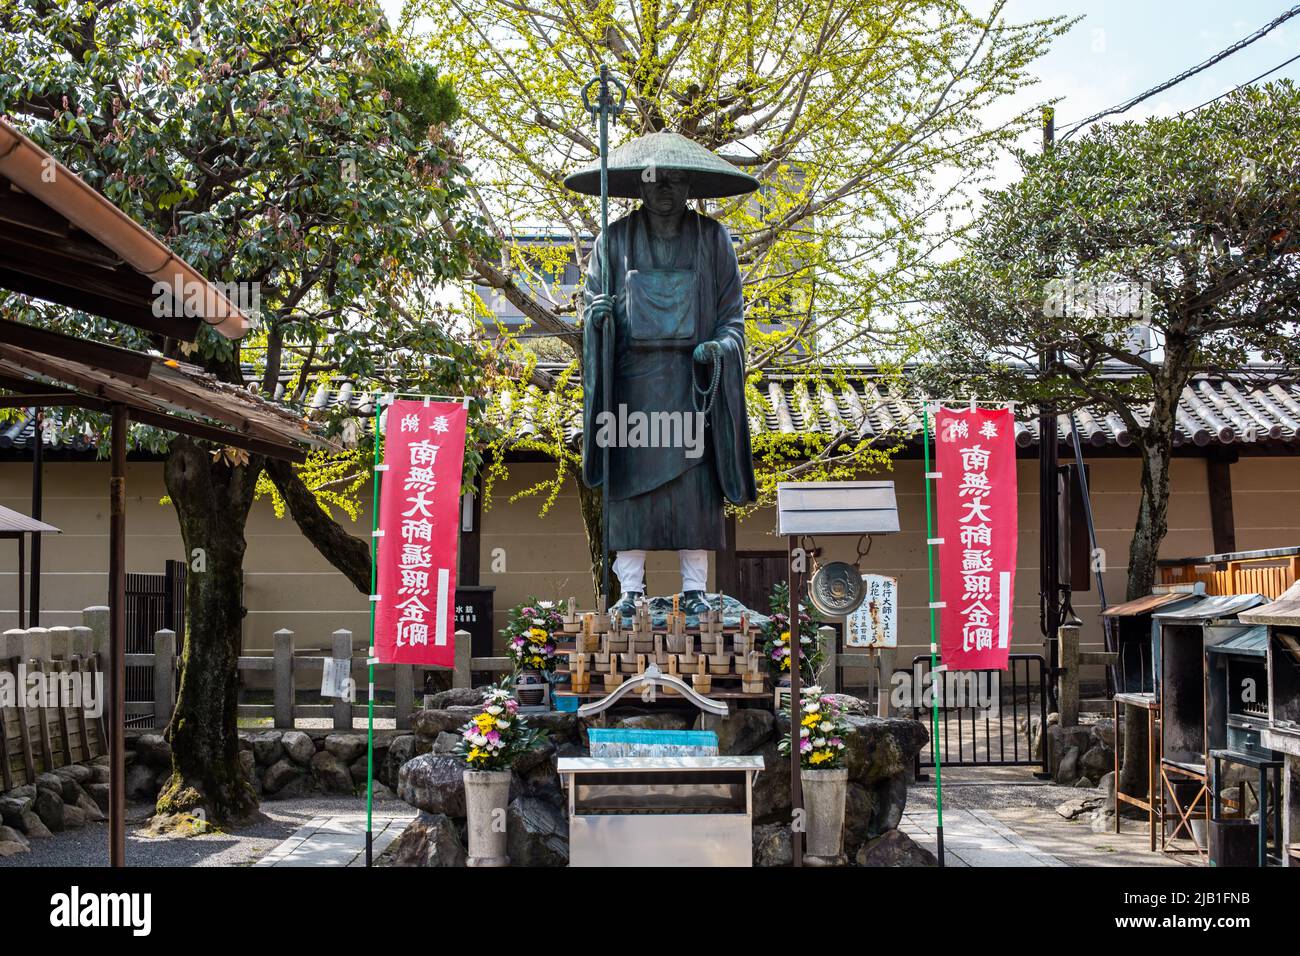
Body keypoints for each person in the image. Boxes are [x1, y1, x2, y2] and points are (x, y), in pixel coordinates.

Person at [566, 132, 759, 618]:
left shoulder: (713, 239)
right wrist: (599, 318)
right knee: (629, 492)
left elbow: (732, 318)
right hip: (632, 389)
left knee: (694, 492)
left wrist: (720, 347)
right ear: (638, 186)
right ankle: (629, 590)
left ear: (689, 184)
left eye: (675, 179)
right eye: (654, 180)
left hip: (690, 386)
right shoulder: (613, 240)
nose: (665, 189)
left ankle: (695, 587)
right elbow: (591, 308)